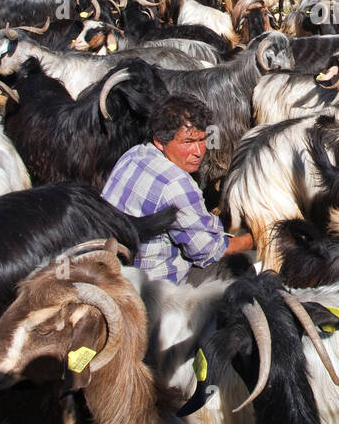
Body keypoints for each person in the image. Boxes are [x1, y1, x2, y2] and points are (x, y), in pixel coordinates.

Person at [101, 94, 253, 283]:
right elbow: (209, 251)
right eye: (188, 143)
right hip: (152, 286)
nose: (198, 152)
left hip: (113, 273)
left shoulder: (133, 154)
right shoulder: (176, 184)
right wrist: (250, 240)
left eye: (202, 140)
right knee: (240, 266)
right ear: (160, 141)